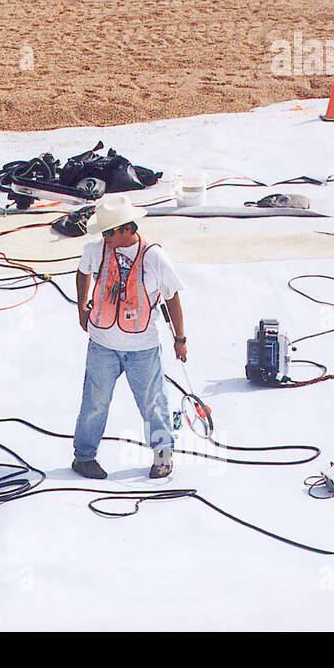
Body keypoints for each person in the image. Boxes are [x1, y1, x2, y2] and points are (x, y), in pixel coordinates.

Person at [72, 195, 186, 480]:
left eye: (109, 232)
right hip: (102, 345)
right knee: (94, 401)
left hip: (143, 348)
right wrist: (81, 307)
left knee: (153, 402)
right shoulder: (94, 250)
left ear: (127, 229)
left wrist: (180, 339)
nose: (105, 237)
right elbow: (82, 272)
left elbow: (172, 297)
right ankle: (84, 457)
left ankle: (163, 456)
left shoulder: (155, 258)